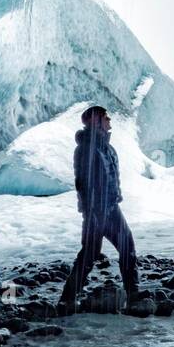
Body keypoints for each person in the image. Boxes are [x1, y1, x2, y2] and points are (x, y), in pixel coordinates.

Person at [57, 105, 141, 312]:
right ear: (95, 120)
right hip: (97, 212)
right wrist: (92, 212)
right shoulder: (86, 149)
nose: (110, 121)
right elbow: (83, 183)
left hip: (111, 208)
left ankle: (133, 295)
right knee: (91, 254)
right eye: (106, 118)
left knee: (125, 247)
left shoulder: (107, 148)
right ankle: (67, 299)